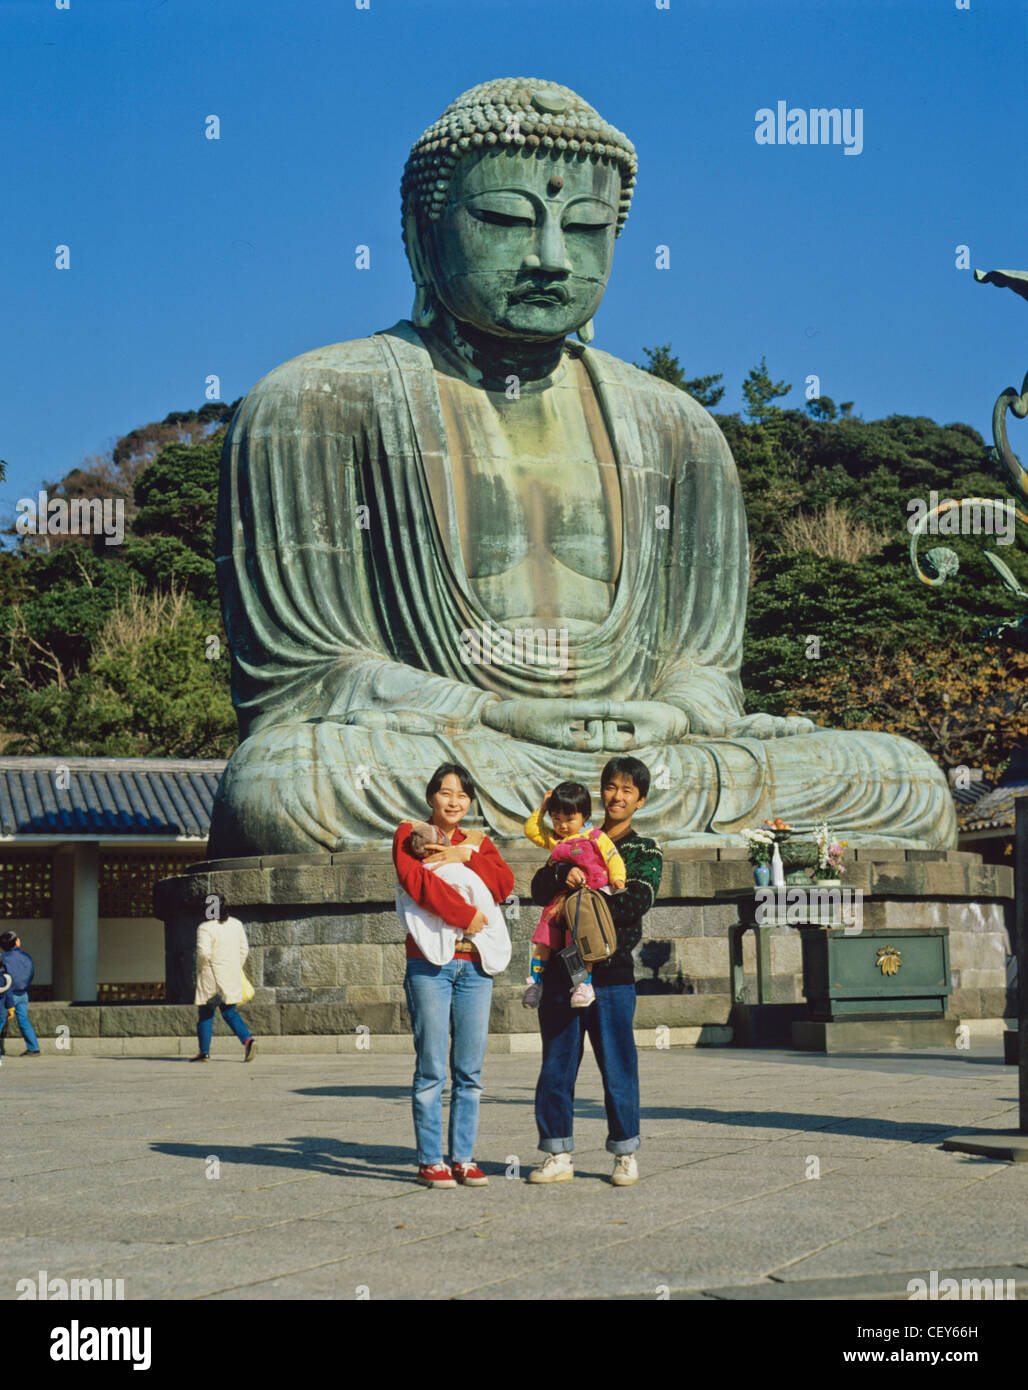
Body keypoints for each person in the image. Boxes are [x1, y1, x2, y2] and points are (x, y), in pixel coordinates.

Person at [527, 756, 662, 1187]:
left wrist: (581, 896)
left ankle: (624, 1154)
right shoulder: (571, 838)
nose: (617, 796)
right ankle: (556, 1153)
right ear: (599, 792)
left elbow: (636, 902)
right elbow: (537, 889)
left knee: (618, 1066)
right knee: (556, 1065)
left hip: (612, 973)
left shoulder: (644, 849)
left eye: (627, 790)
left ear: (640, 800)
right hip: (561, 974)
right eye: (610, 787)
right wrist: (564, 874)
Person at [394, 762, 513, 1188]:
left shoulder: (480, 842)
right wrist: (467, 916)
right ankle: (430, 1160)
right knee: (431, 1066)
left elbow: (503, 887)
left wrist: (468, 855)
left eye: (463, 796)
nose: (455, 802)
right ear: (431, 797)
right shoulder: (410, 834)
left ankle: (462, 1157)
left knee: (469, 1069)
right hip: (430, 964)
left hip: (476, 965)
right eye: (447, 793)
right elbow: (417, 884)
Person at [522, 782, 626, 1010]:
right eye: (556, 819)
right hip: (557, 902)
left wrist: (618, 878)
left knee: (580, 944)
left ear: (585, 815)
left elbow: (613, 857)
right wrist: (542, 807)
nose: (561, 825)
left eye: (569, 819)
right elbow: (531, 831)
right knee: (543, 940)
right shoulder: (555, 841)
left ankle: (582, 984)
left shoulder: (596, 837)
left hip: (585, 901)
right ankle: (535, 982)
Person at [192, 900, 257, 1063]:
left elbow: (203, 953)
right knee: (230, 1012)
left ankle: (204, 1052)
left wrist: (202, 969)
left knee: (206, 1014)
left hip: (211, 976)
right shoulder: (236, 924)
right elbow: (244, 950)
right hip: (231, 975)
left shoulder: (205, 927)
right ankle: (248, 1040)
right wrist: (234, 967)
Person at [0, 932, 40, 1057]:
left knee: (0, 1021)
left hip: (7, 994)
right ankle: (34, 1048)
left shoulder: (3, 958)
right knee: (23, 1020)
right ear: (17, 942)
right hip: (23, 993)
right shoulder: (26, 957)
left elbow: (2, 977)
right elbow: (31, 973)